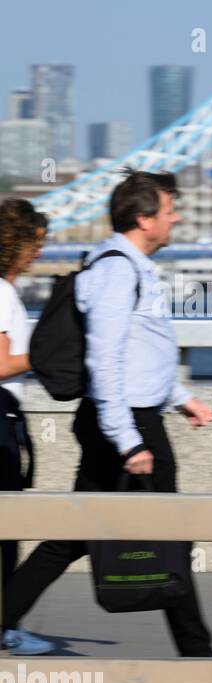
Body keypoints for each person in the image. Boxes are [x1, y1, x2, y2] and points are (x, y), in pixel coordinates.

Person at [1, 170, 212, 657]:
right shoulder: (116, 271)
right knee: (169, 532)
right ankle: (197, 651)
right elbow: (105, 359)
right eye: (168, 210)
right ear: (144, 219)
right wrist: (129, 440)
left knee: (73, 536)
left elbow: (143, 352)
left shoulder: (132, 266)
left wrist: (182, 396)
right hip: (126, 423)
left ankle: (3, 615)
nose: (176, 217)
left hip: (133, 417)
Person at [0, 200, 50, 655]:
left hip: (6, 418)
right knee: (6, 530)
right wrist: (47, 355)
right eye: (35, 243)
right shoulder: (0, 292)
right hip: (0, 421)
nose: (39, 252)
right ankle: (5, 628)